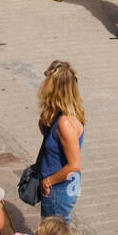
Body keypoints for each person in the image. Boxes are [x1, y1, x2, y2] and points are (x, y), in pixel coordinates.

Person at [32, 59, 85, 221]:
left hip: (58, 187)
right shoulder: (61, 115)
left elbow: (74, 164)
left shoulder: (65, 123)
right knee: (56, 234)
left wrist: (48, 181)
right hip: (59, 186)